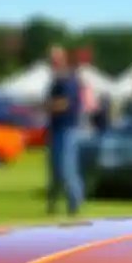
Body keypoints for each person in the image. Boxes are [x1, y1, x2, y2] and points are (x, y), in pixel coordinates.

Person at [45, 45, 84, 215]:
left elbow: (65, 104)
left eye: (54, 58)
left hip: (68, 129)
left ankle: (74, 203)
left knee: (67, 169)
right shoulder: (55, 80)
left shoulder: (69, 80)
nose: (52, 62)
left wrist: (47, 106)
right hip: (55, 128)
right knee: (54, 170)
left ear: (62, 59)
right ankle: (52, 205)